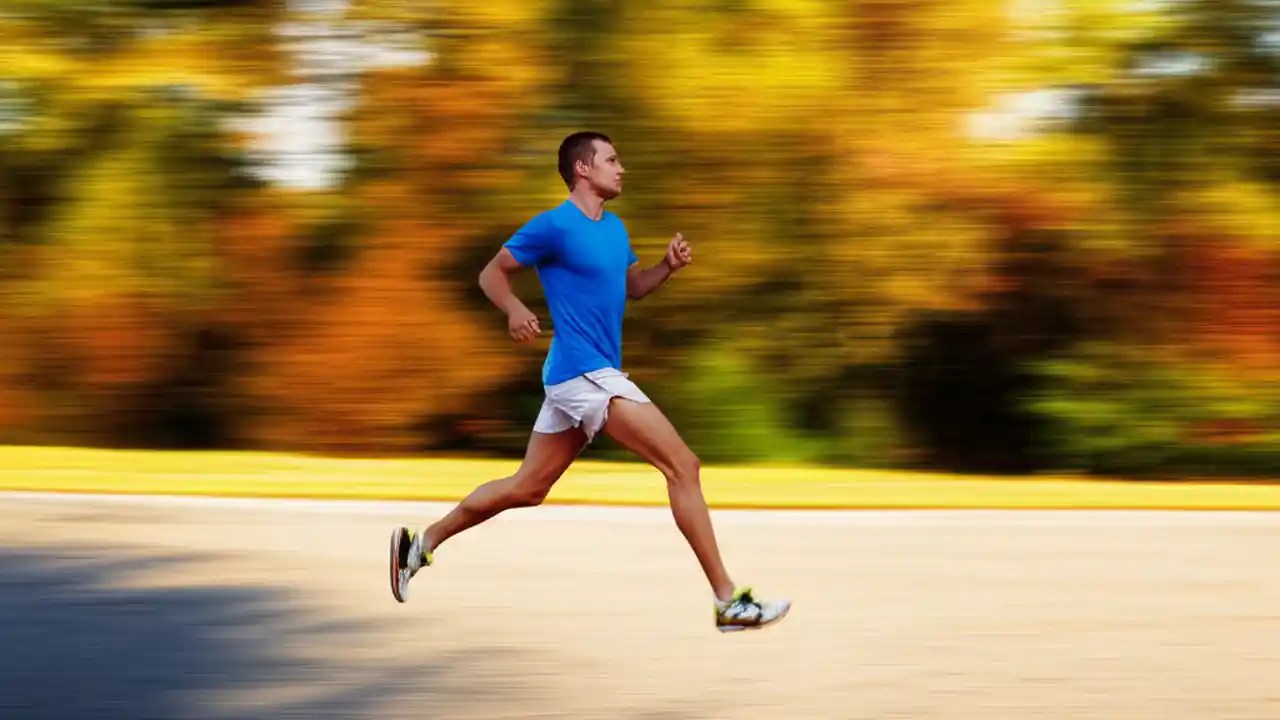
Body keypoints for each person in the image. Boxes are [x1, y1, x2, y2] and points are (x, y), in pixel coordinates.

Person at [390, 131, 789, 632]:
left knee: (527, 488)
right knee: (683, 465)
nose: (621, 168)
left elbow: (632, 288)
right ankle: (727, 600)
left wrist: (667, 266)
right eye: (612, 160)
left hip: (578, 373)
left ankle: (419, 545)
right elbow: (492, 272)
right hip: (583, 372)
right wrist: (514, 308)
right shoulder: (554, 226)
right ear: (583, 169)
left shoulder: (615, 229)